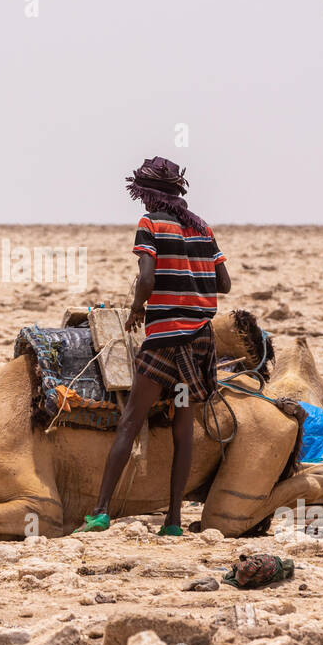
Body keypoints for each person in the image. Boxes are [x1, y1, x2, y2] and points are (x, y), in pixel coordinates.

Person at [76, 157, 231, 536]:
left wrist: (136, 309)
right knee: (182, 427)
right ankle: (174, 521)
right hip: (197, 348)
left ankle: (99, 513)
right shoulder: (202, 228)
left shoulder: (150, 224)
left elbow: (145, 277)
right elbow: (224, 283)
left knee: (130, 421)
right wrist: (194, 282)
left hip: (163, 345)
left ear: (147, 195)